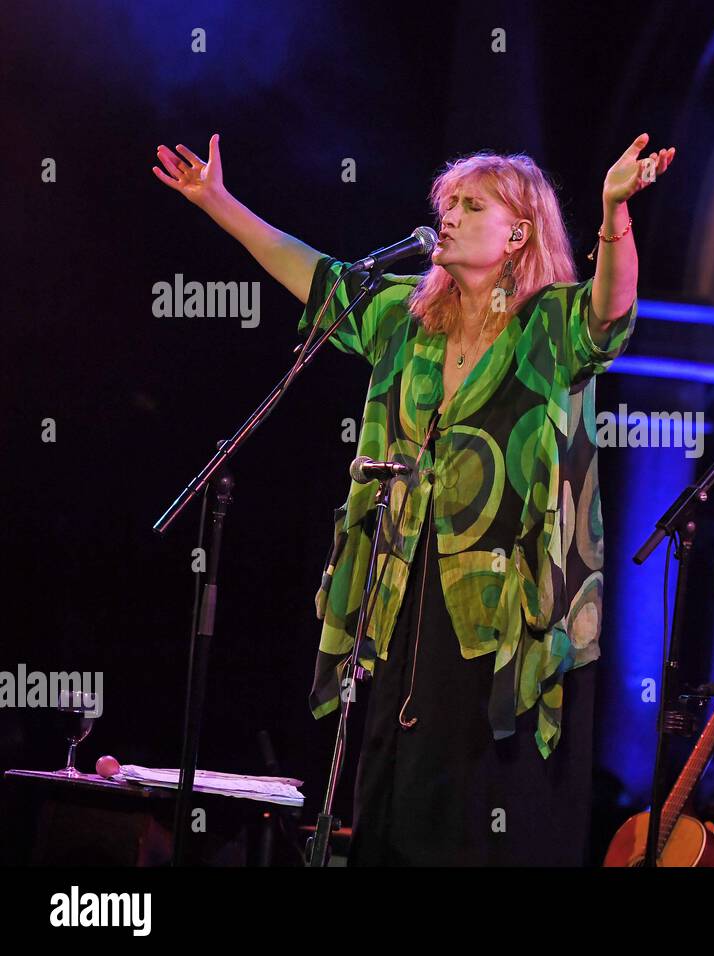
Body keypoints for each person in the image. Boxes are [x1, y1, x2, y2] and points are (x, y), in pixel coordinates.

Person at [153, 131, 675, 865]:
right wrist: (218, 202)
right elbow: (316, 275)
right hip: (400, 583)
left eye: (471, 204)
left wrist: (614, 214)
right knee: (392, 794)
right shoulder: (405, 316)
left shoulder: (548, 324)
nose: (450, 216)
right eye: (447, 203)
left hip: (506, 607)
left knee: (471, 803)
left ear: (518, 233)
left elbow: (610, 311)